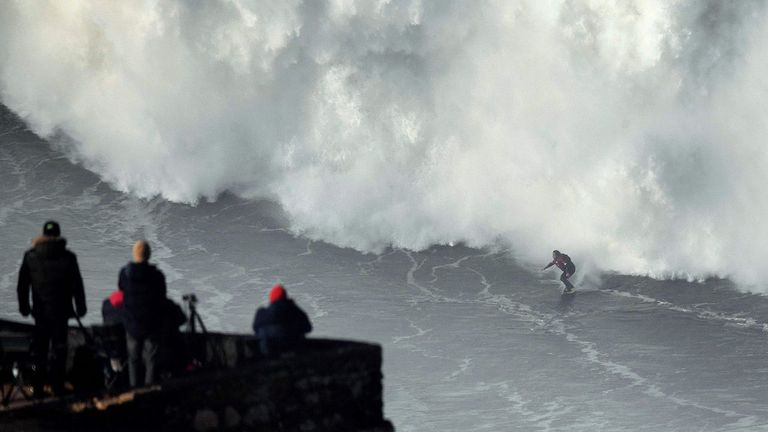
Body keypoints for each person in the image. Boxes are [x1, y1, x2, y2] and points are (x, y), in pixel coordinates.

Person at [17, 220, 87, 397]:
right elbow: (77, 285)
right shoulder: (68, 257)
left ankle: (38, 387)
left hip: (40, 312)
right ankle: (57, 386)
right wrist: (80, 307)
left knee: (40, 350)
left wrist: (25, 307)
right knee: (59, 349)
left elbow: (22, 285)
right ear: (58, 235)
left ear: (43, 235)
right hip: (61, 312)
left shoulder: (30, 256)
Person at [119, 240, 167, 387]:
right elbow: (162, 299)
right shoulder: (157, 276)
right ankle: (149, 392)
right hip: (151, 325)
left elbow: (122, 291)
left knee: (133, 360)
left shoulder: (124, 274)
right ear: (149, 254)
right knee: (151, 360)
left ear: (134, 254)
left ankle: (134, 390)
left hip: (132, 324)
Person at [252, 284, 312, 356]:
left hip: (268, 354)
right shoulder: (295, 312)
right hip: (294, 353)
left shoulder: (262, 313)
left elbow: (255, 329)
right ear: (285, 298)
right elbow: (308, 328)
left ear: (271, 299)